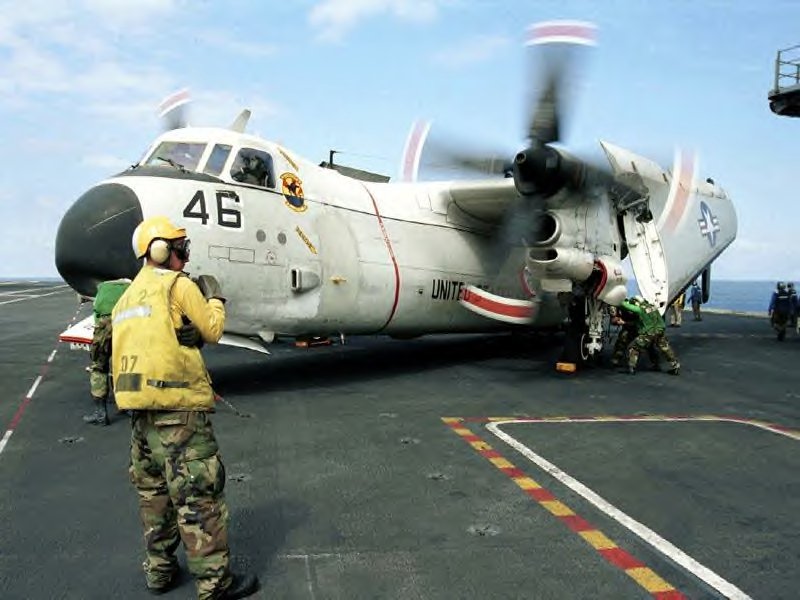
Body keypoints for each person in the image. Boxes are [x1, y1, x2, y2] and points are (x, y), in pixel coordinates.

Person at [111, 216, 259, 599]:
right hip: (179, 414)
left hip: (139, 418)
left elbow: (156, 341)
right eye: (181, 249)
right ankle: (213, 585)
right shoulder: (177, 284)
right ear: (161, 251)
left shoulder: (126, 299)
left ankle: (159, 572)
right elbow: (212, 328)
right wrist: (214, 298)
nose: (185, 256)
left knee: (154, 497)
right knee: (198, 496)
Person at [83, 278, 130, 426]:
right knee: (126, 366)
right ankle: (128, 406)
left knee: (99, 367)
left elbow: (97, 313)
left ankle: (101, 414)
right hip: (127, 326)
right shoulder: (130, 286)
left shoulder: (102, 288)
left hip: (104, 328)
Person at [620, 296, 680, 375]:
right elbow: (641, 321)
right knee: (665, 348)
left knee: (634, 347)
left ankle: (631, 367)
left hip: (649, 332)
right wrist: (624, 323)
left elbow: (625, 305)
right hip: (659, 331)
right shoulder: (653, 307)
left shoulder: (640, 309)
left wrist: (618, 300)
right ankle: (675, 366)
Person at [609, 303, 661, 370]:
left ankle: (655, 363)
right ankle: (615, 360)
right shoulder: (620, 306)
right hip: (629, 328)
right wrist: (616, 319)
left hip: (641, 329)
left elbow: (639, 322)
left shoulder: (640, 308)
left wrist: (624, 322)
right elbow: (613, 320)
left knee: (649, 344)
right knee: (621, 341)